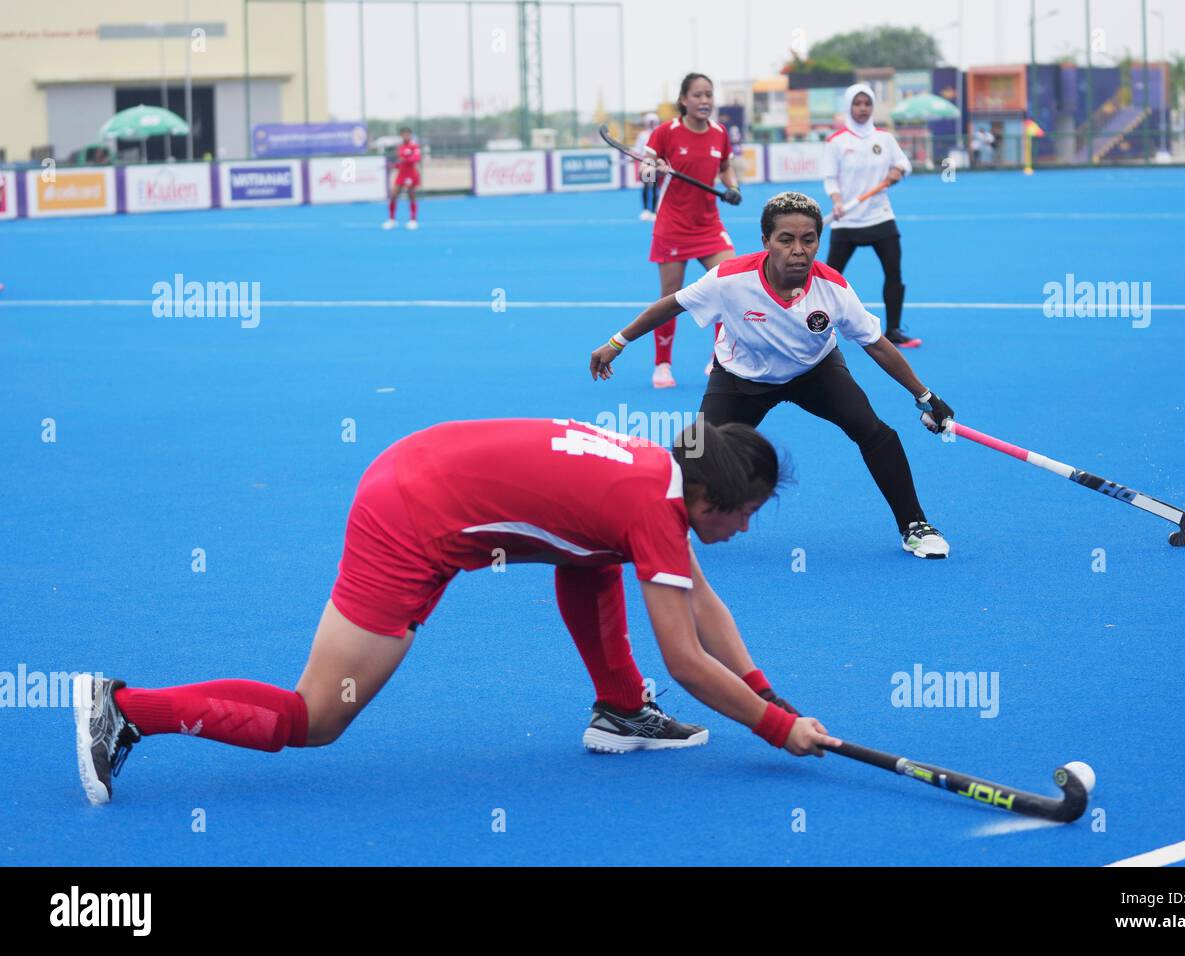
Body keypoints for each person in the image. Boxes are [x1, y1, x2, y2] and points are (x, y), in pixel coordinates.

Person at [74, 417, 838, 805]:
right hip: (408, 520)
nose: (744, 529)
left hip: (422, 470)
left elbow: (701, 599)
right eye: (743, 514)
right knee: (314, 719)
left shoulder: (661, 475)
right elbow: (686, 658)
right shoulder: (656, 514)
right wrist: (775, 728)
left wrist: (767, 689)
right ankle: (128, 708)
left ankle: (618, 709)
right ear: (705, 497)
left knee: (595, 558)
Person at [590, 192, 952, 559]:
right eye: (786, 239)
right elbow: (673, 304)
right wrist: (617, 342)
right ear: (765, 242)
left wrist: (925, 396)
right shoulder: (730, 279)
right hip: (740, 379)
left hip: (815, 371)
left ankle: (915, 525)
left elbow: (876, 344)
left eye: (808, 240)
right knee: (695, 451)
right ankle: (659, 527)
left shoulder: (833, 288)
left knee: (877, 434)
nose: (799, 250)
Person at [641, 73, 743, 389]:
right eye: (697, 95)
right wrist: (653, 170)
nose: (704, 101)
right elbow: (644, 172)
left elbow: (725, 165)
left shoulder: (719, 133)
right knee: (670, 298)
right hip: (673, 226)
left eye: (709, 95)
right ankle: (662, 364)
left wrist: (732, 186)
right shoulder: (665, 132)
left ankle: (718, 357)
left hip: (709, 226)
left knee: (731, 284)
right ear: (684, 99)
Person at [822, 84, 920, 349]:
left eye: (867, 103)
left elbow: (904, 163)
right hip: (847, 220)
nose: (863, 108)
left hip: (880, 217)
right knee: (828, 279)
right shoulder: (837, 141)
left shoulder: (884, 138)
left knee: (894, 274)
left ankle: (894, 330)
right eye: (858, 103)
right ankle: (818, 329)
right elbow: (830, 178)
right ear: (849, 106)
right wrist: (837, 201)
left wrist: (898, 171)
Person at [383, 127, 420, 231]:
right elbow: (400, 163)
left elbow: (416, 158)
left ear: (410, 135)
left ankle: (413, 220)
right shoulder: (400, 147)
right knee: (393, 195)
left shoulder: (414, 146)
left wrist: (406, 159)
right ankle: (391, 219)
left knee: (411, 195)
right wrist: (393, 166)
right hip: (401, 174)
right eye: (403, 134)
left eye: (407, 134)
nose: (405, 136)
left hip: (411, 174)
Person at [633, 112, 661, 222]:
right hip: (646, 162)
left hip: (657, 162)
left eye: (653, 122)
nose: (651, 124)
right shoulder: (643, 135)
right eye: (650, 122)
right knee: (646, 187)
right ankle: (645, 210)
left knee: (654, 187)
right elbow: (638, 149)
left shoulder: (659, 133)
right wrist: (635, 156)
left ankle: (654, 211)